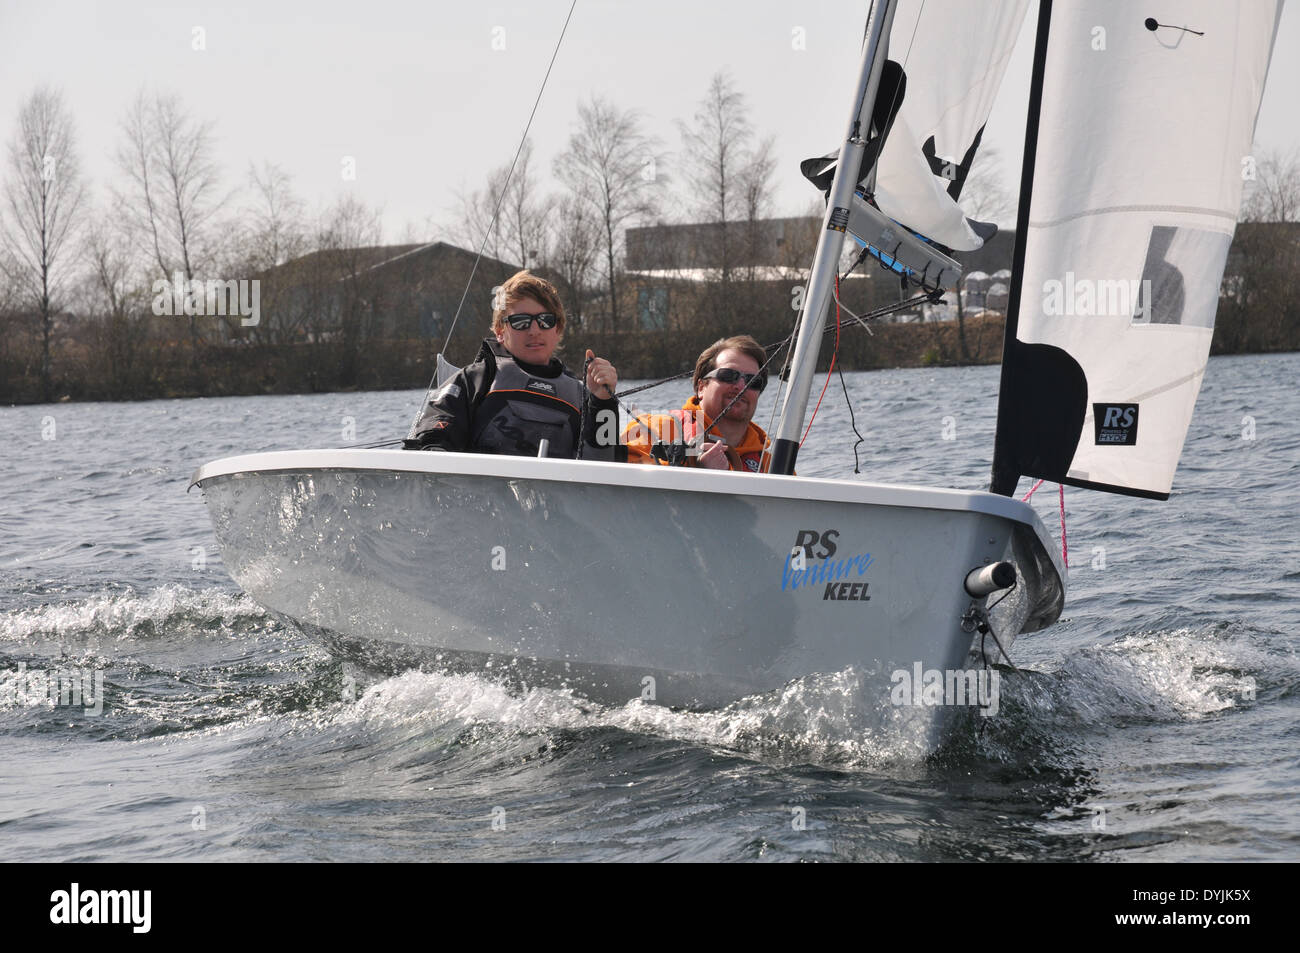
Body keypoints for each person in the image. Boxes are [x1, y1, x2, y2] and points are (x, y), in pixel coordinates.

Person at [405, 270, 620, 459]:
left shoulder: (582, 396)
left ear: (558, 329)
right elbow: (431, 444)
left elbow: (606, 463)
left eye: (545, 321)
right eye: (521, 322)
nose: (534, 330)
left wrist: (603, 401)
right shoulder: (474, 381)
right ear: (500, 332)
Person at [622, 334, 772, 472]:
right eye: (728, 375)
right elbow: (615, 487)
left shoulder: (771, 464)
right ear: (701, 387)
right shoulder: (654, 430)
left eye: (753, 381)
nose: (741, 386)